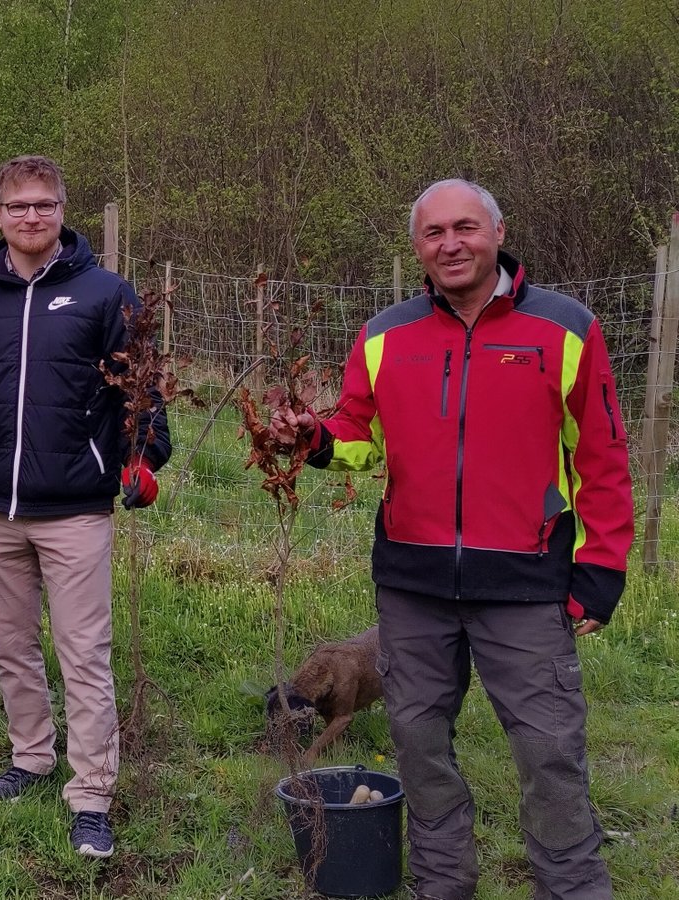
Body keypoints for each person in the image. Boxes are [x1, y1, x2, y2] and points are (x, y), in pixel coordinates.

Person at [272, 179, 631, 900]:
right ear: (417, 248)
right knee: (420, 750)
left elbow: (603, 455)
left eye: (465, 227)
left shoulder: (565, 329)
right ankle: (443, 887)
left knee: (549, 753)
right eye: (434, 233)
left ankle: (572, 888)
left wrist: (599, 567)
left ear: (498, 231)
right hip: (413, 589)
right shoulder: (383, 335)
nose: (451, 243)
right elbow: (358, 439)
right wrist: (313, 438)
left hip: (527, 586)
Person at [0, 155, 171, 860]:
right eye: (17, 206)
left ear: (64, 209)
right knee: (12, 647)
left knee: (84, 655)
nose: (30, 216)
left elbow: (142, 393)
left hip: (75, 507)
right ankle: (31, 757)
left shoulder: (105, 294)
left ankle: (90, 794)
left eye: (44, 204)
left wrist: (143, 461)